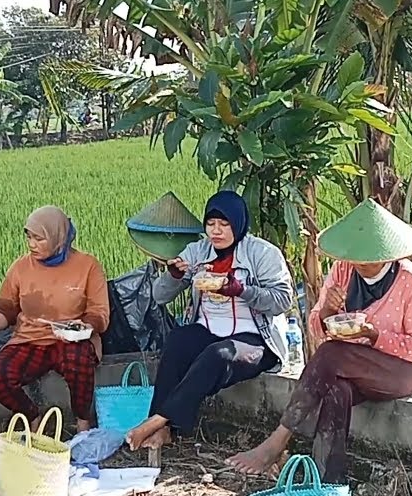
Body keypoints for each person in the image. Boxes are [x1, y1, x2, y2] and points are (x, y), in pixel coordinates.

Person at [228, 200, 412, 481]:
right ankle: (328, 480)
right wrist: (327, 310)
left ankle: (278, 440)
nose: (361, 264)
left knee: (331, 353)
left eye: (370, 257)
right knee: (336, 390)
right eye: (356, 256)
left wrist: (373, 335)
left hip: (403, 371)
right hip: (350, 366)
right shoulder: (343, 270)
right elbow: (317, 326)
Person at [126, 190, 295, 450]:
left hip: (255, 340)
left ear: (238, 224)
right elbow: (159, 296)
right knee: (178, 341)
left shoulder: (262, 253)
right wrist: (173, 275)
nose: (216, 231)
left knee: (218, 354)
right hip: (209, 329)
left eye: (224, 225)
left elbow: (283, 300)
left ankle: (157, 421)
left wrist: (242, 290)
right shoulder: (197, 251)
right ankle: (167, 429)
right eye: (211, 224)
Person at [0, 206, 109, 433]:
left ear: (58, 237)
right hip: (29, 339)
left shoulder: (88, 266)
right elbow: (6, 309)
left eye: (39, 238)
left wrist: (86, 326)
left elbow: (99, 312)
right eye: (28, 237)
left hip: (70, 339)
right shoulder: (20, 268)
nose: (31, 244)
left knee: (78, 361)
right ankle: (32, 416)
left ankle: (83, 423)